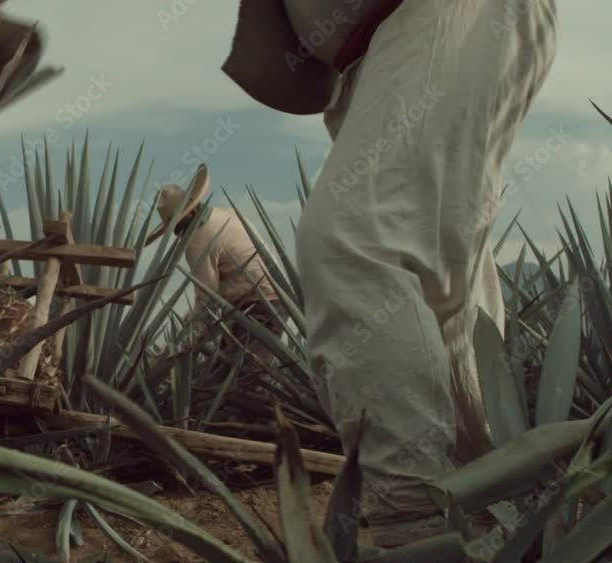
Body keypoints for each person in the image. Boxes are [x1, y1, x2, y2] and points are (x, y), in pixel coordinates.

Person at [222, 0, 556, 548]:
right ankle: (485, 513)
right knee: (438, 286)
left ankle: (417, 526)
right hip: (398, 45)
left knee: (352, 242)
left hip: (437, 18)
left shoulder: (206, 230)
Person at [145, 164, 290, 378]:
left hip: (259, 307)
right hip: (271, 298)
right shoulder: (225, 213)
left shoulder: (197, 242)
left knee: (246, 380)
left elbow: (208, 302)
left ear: (178, 224)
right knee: (227, 373)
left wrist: (177, 348)